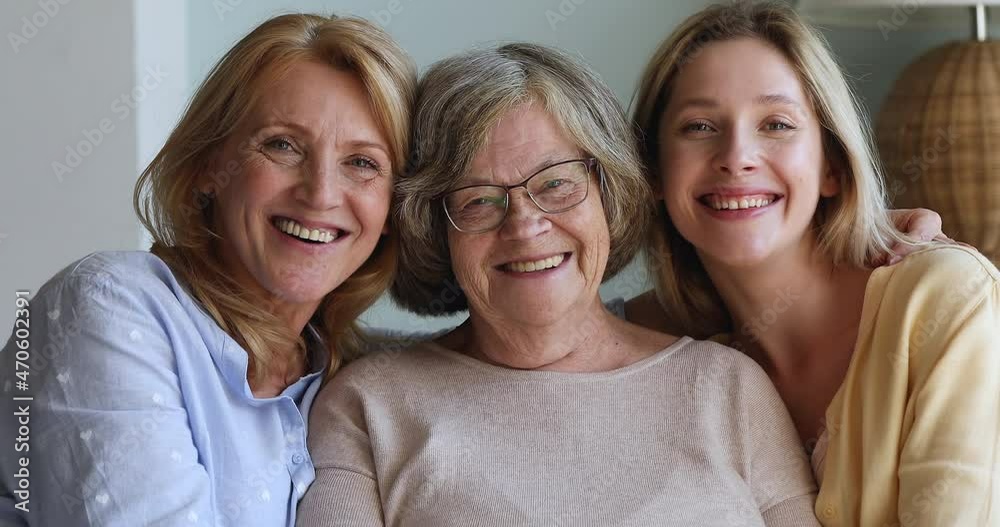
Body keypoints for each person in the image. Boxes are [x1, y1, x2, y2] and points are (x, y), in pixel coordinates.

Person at [298, 42, 822, 526]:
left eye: (558, 183)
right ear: (436, 230)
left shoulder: (726, 387)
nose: (524, 226)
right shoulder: (369, 406)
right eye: (479, 199)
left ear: (609, 195)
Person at [0, 13, 415, 526]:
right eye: (282, 145)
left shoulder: (355, 374)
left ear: (393, 211)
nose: (321, 194)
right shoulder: (107, 306)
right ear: (205, 168)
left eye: (363, 163)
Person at [628, 2, 1000, 524]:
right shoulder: (652, 350)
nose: (737, 155)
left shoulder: (943, 300)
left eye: (776, 123)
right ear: (655, 173)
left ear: (832, 166)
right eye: (699, 126)